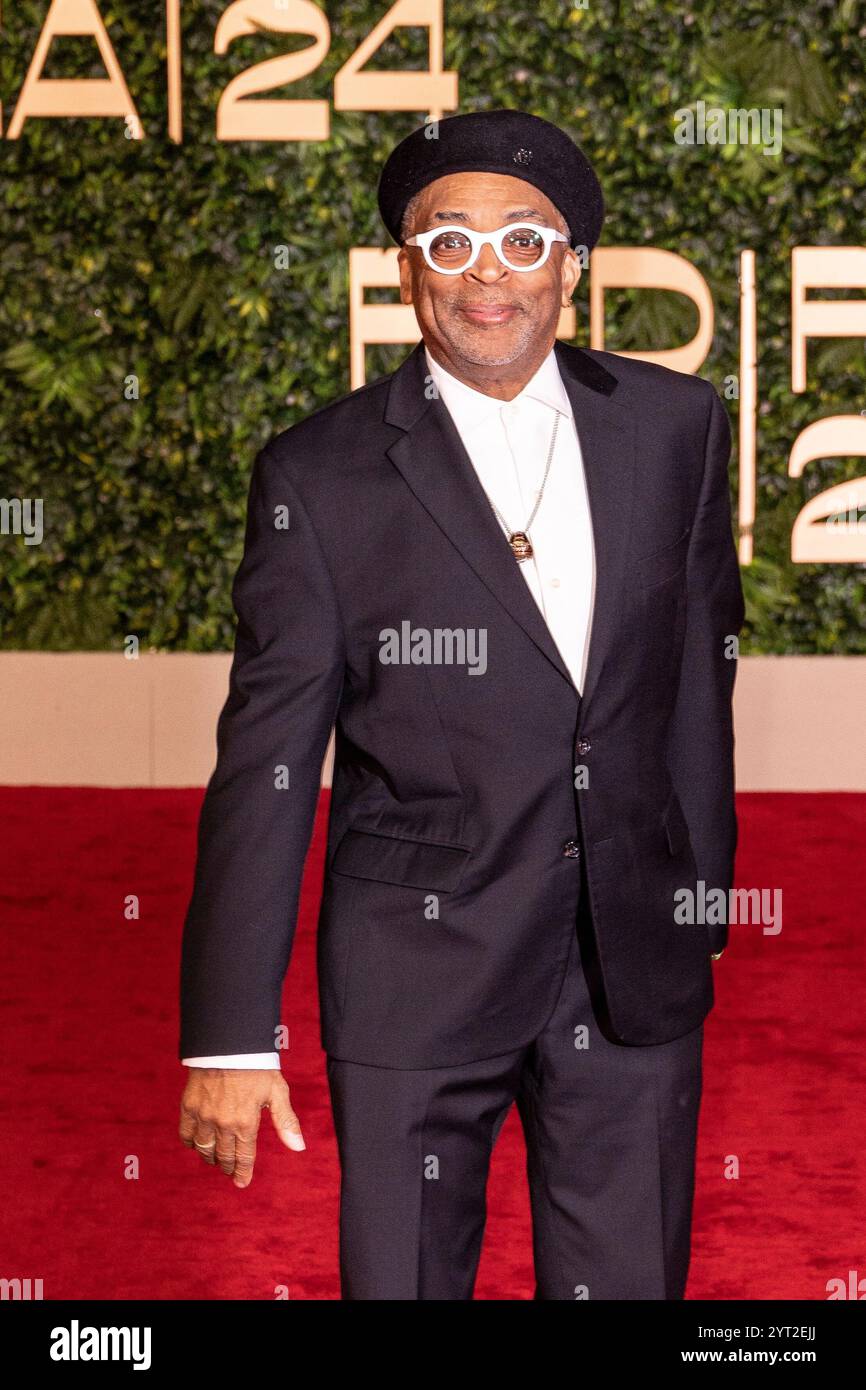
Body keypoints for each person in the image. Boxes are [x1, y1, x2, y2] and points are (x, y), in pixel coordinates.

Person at [178, 108, 745, 1300]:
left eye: (523, 241)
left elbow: (696, 686)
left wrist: (688, 905)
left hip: (628, 970)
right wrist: (232, 1030)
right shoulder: (316, 476)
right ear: (404, 269)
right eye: (448, 244)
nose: (486, 272)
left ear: (573, 265)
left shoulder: (675, 430)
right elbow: (267, 765)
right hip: (416, 971)